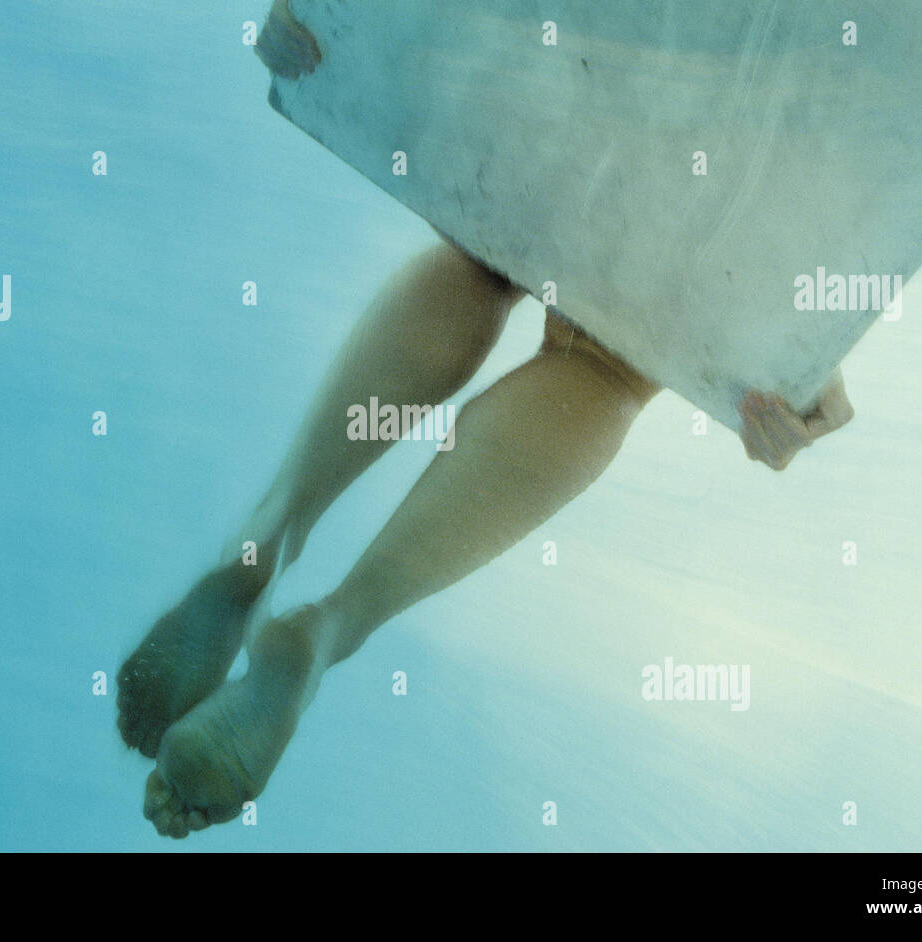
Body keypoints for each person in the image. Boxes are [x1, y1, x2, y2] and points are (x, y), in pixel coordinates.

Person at [120, 0, 856, 838]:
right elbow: (895, 149)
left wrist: (341, 28)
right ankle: (329, 630)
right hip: (751, 128)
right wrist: (803, 385)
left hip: (563, 74)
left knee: (486, 250)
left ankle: (269, 531)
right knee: (609, 366)